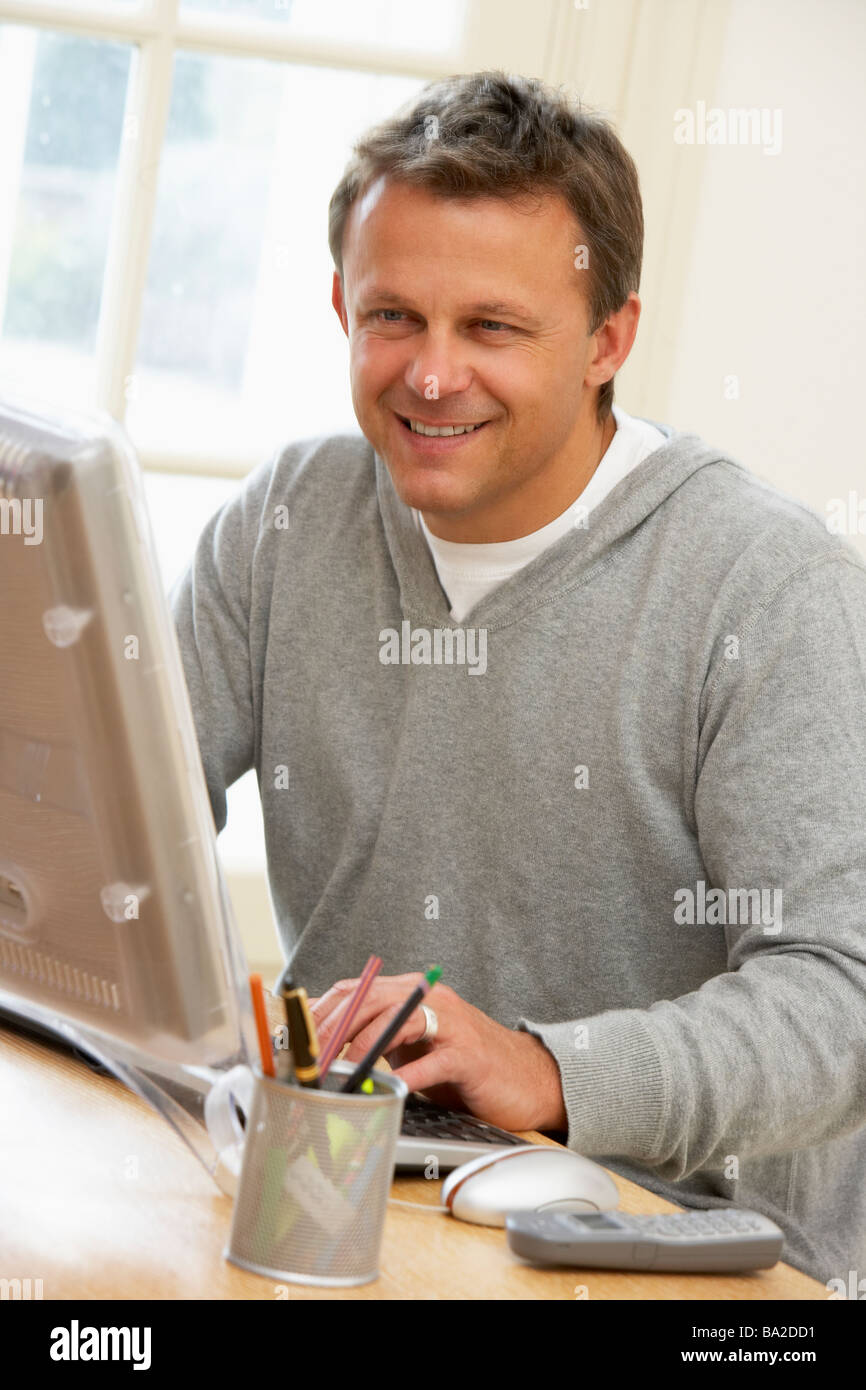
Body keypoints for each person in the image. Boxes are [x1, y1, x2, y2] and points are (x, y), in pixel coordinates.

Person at [170, 70, 866, 1285]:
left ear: (609, 340)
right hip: (349, 1191)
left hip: (679, 1251)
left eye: (490, 327)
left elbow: (840, 999)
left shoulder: (766, 587)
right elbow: (119, 816)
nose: (431, 376)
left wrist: (550, 1069)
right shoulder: (286, 521)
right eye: (394, 317)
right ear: (340, 306)